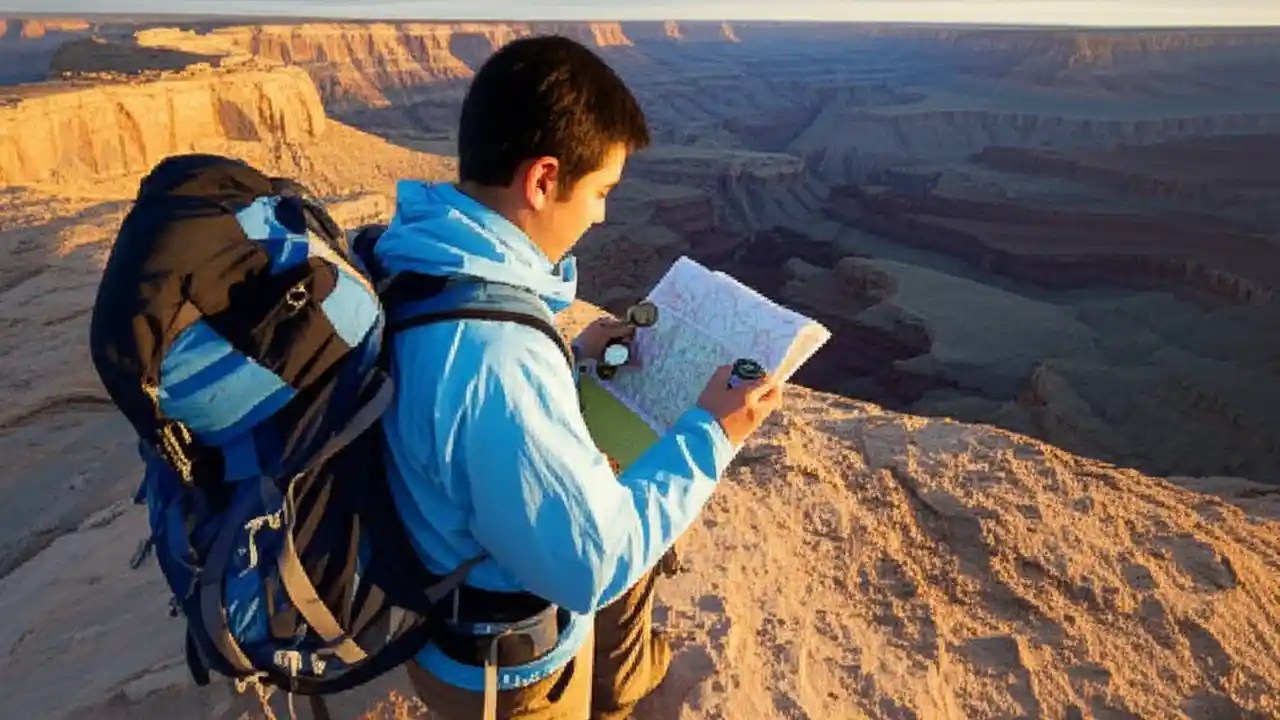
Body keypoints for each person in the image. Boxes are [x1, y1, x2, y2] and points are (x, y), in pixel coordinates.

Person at [371, 35, 783, 719]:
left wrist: (566, 355)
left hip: (441, 614)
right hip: (504, 678)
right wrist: (713, 432)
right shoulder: (497, 357)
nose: (601, 214)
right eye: (600, 191)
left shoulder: (420, 252)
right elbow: (594, 564)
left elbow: (457, 408)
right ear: (541, 180)